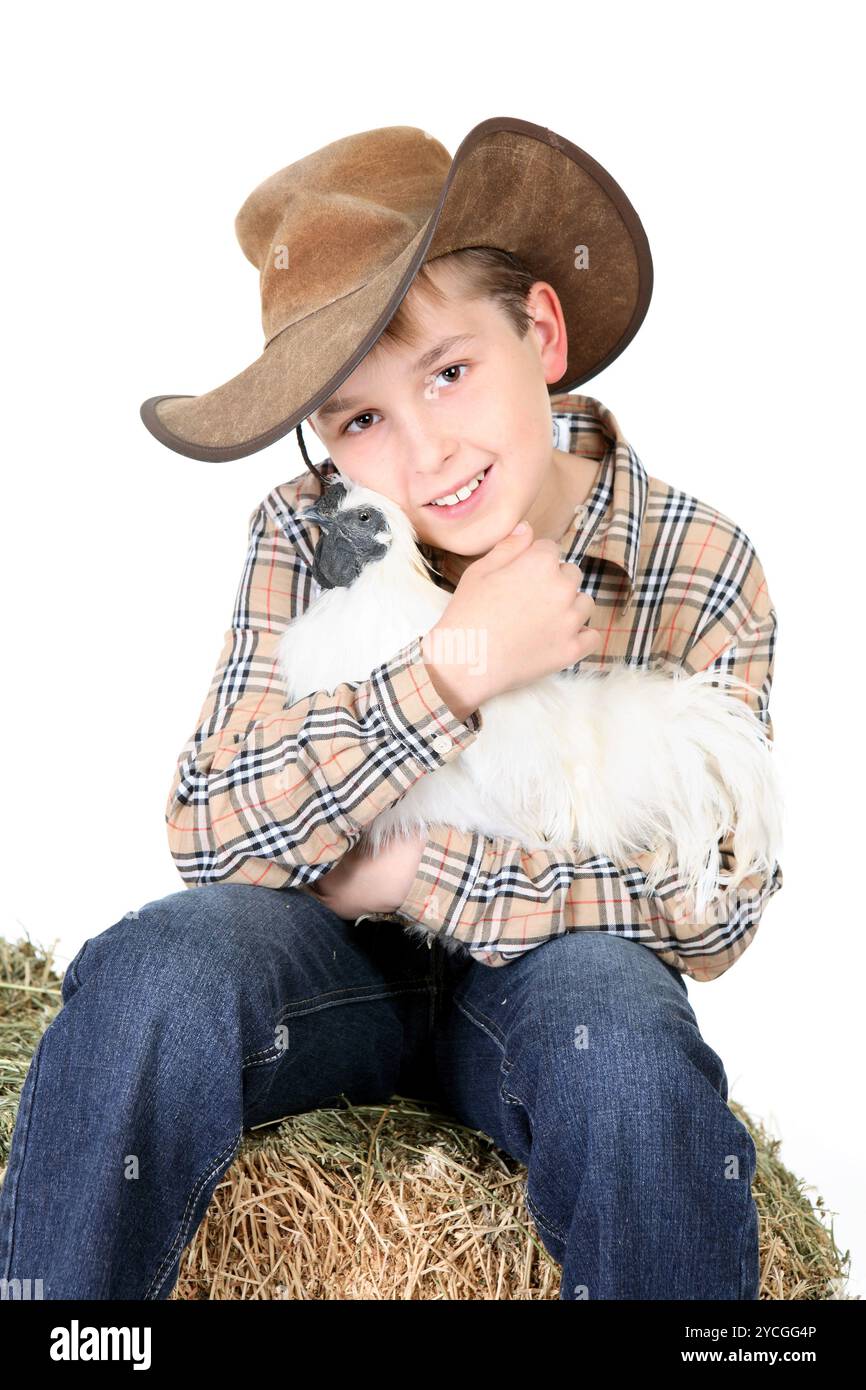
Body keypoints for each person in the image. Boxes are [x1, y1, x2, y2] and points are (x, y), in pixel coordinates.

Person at [0, 118, 782, 1301]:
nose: (422, 455)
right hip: (327, 973)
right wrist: (454, 666)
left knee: (620, 1047)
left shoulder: (694, 556)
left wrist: (416, 876)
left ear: (541, 332)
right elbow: (209, 823)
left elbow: (711, 913)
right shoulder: (305, 529)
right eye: (360, 420)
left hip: (551, 981)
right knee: (158, 971)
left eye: (450, 372)